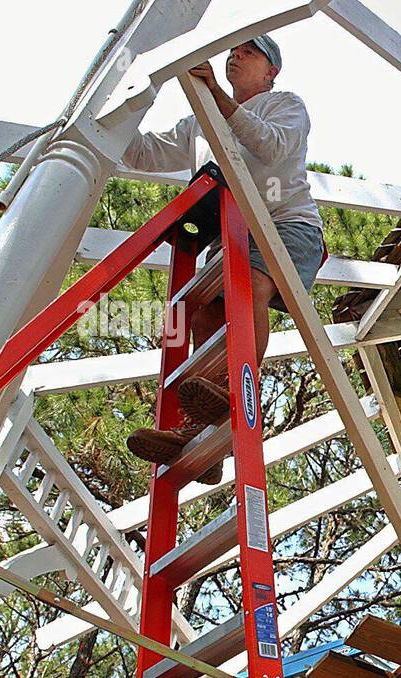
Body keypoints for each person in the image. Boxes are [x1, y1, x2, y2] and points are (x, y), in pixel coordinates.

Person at [124, 35, 324, 483]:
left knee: (248, 288)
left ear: (271, 71)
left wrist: (214, 94)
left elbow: (271, 146)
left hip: (282, 223)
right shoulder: (200, 121)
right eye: (232, 51)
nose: (235, 55)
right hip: (231, 229)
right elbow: (140, 152)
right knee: (202, 313)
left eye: (249, 52)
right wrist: (127, 101)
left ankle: (239, 391)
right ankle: (204, 432)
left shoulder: (284, 104)